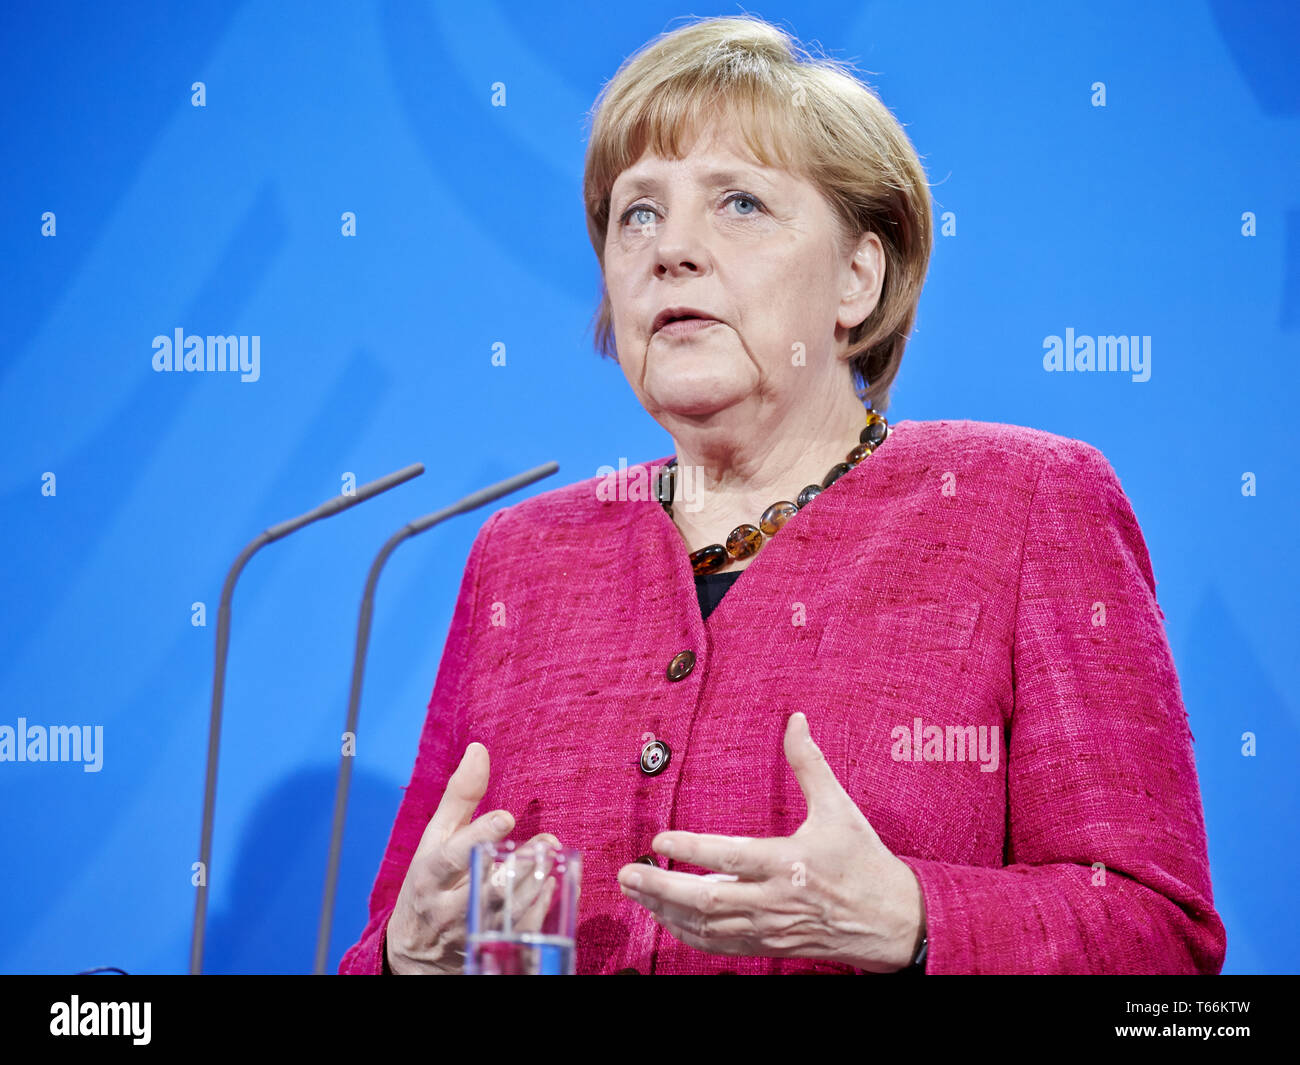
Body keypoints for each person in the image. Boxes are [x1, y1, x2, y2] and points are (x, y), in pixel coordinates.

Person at [340, 15, 1225, 975]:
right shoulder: (522, 558)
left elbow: (1160, 943)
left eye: (739, 204)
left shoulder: (1026, 504)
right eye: (637, 212)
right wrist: (407, 957)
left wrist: (911, 921)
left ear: (857, 274)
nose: (669, 249)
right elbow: (388, 942)